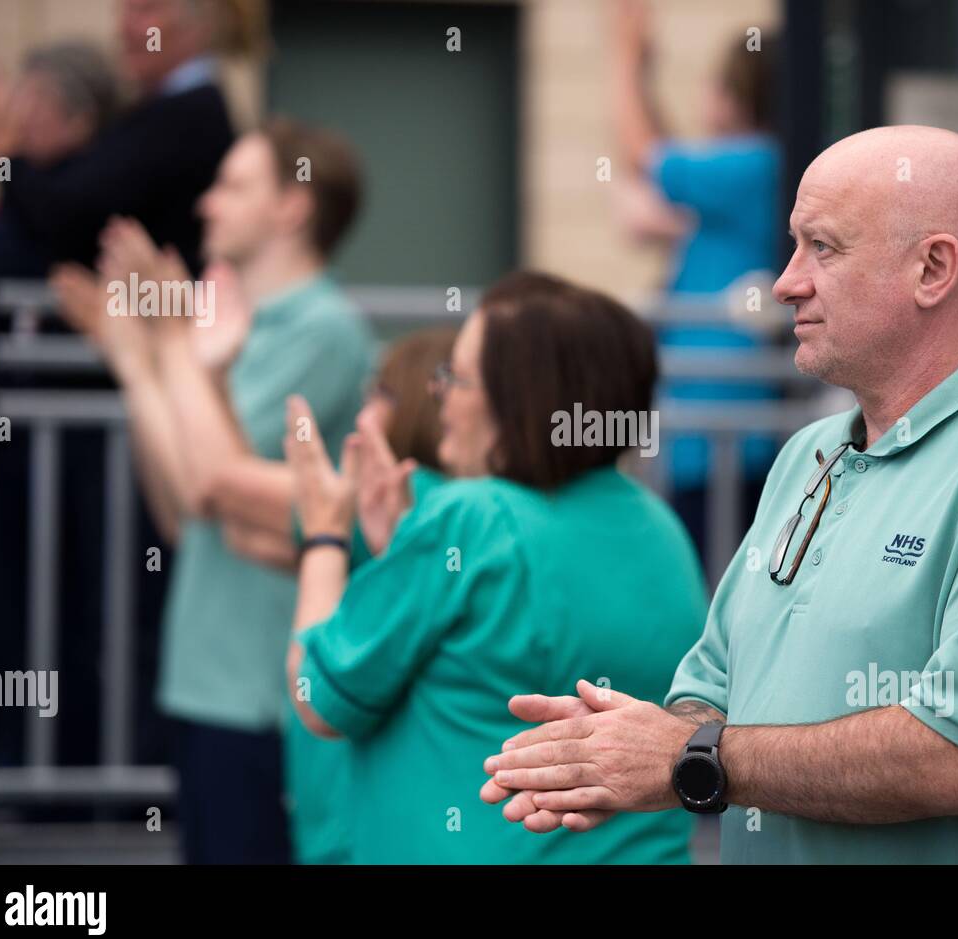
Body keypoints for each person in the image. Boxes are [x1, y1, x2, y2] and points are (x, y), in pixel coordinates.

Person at [481, 126, 958, 865]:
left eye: (822, 248)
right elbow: (712, 684)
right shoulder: (810, 450)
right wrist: (622, 743)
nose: (785, 281)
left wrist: (695, 757)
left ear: (932, 269)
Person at [285, 272, 707, 864]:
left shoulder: (469, 519)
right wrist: (400, 556)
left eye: (456, 378)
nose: (440, 396)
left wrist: (325, 532)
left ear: (516, 400)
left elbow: (317, 698)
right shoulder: (659, 527)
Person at [51, 118, 371, 864]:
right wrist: (143, 360)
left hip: (265, 692)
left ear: (293, 207)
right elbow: (183, 512)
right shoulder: (243, 322)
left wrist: (157, 354)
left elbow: (208, 485)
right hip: (211, 680)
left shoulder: (321, 329)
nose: (207, 204)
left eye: (234, 185)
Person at [609, 0, 782, 557]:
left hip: (722, 433)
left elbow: (648, 158)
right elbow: (667, 170)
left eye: (719, 84)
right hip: (705, 431)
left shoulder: (758, 162)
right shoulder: (744, 173)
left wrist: (622, 57)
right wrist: (641, 72)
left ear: (742, 94)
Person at [280, 328, 456, 866]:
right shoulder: (421, 503)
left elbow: (310, 686)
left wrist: (325, 532)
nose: (362, 415)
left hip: (353, 821)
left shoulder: (418, 502)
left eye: (378, 393)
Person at [0, 0, 242, 272]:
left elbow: (62, 220)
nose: (125, 28)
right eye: (124, 11)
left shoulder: (185, 116)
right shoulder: (164, 110)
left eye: (145, 10)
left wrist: (3, 150)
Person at [0, 42, 120, 279]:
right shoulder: (30, 176)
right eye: (21, 93)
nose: (22, 111)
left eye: (38, 98)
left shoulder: (76, 190)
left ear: (80, 121)